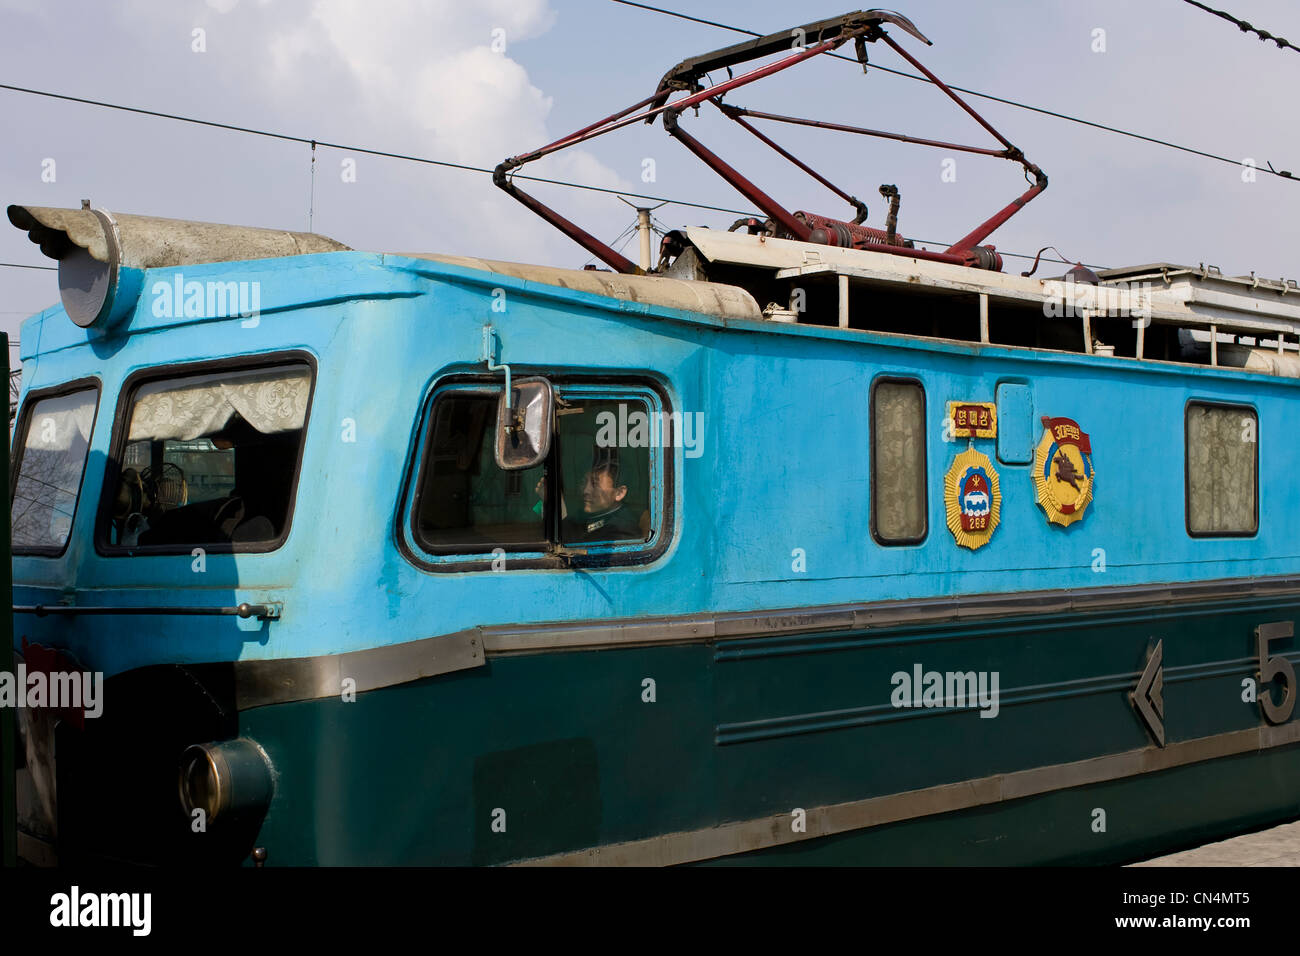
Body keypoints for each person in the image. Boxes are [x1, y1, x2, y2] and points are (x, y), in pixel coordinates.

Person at [562, 457, 642, 544]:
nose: (586, 491)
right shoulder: (580, 517)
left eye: (595, 484)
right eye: (583, 482)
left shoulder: (623, 530)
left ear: (619, 493)